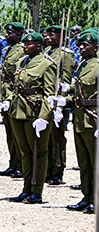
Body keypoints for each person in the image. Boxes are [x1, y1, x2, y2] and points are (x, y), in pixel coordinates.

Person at [4, 32, 55, 205]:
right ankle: (26, 188)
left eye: (29, 44)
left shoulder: (47, 64)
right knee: (25, 152)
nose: (25, 46)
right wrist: (8, 101)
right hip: (18, 110)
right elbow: (15, 87)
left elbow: (49, 94)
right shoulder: (22, 62)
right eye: (24, 44)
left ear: (39, 46)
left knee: (38, 153)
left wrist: (44, 117)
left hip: (35, 112)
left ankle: (36, 191)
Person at [68, 28, 97, 214]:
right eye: (80, 45)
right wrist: (64, 100)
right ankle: (87, 197)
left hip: (93, 120)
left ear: (96, 47)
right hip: (80, 119)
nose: (81, 48)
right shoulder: (83, 65)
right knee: (84, 163)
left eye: (85, 45)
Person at [43, 25, 75, 185]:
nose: (48, 37)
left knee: (57, 138)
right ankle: (48, 169)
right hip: (46, 98)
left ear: (61, 37)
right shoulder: (46, 52)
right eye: (47, 35)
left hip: (57, 100)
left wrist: (61, 106)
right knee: (46, 137)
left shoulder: (65, 55)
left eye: (52, 35)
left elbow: (65, 81)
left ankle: (57, 169)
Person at [0, 23, 27, 178]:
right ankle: (13, 163)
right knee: (9, 132)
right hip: (5, 92)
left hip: (14, 94)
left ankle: (21, 165)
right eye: (7, 33)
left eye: (10, 33)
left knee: (17, 134)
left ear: (19, 35)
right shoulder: (8, 49)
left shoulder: (21, 50)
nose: (7, 36)